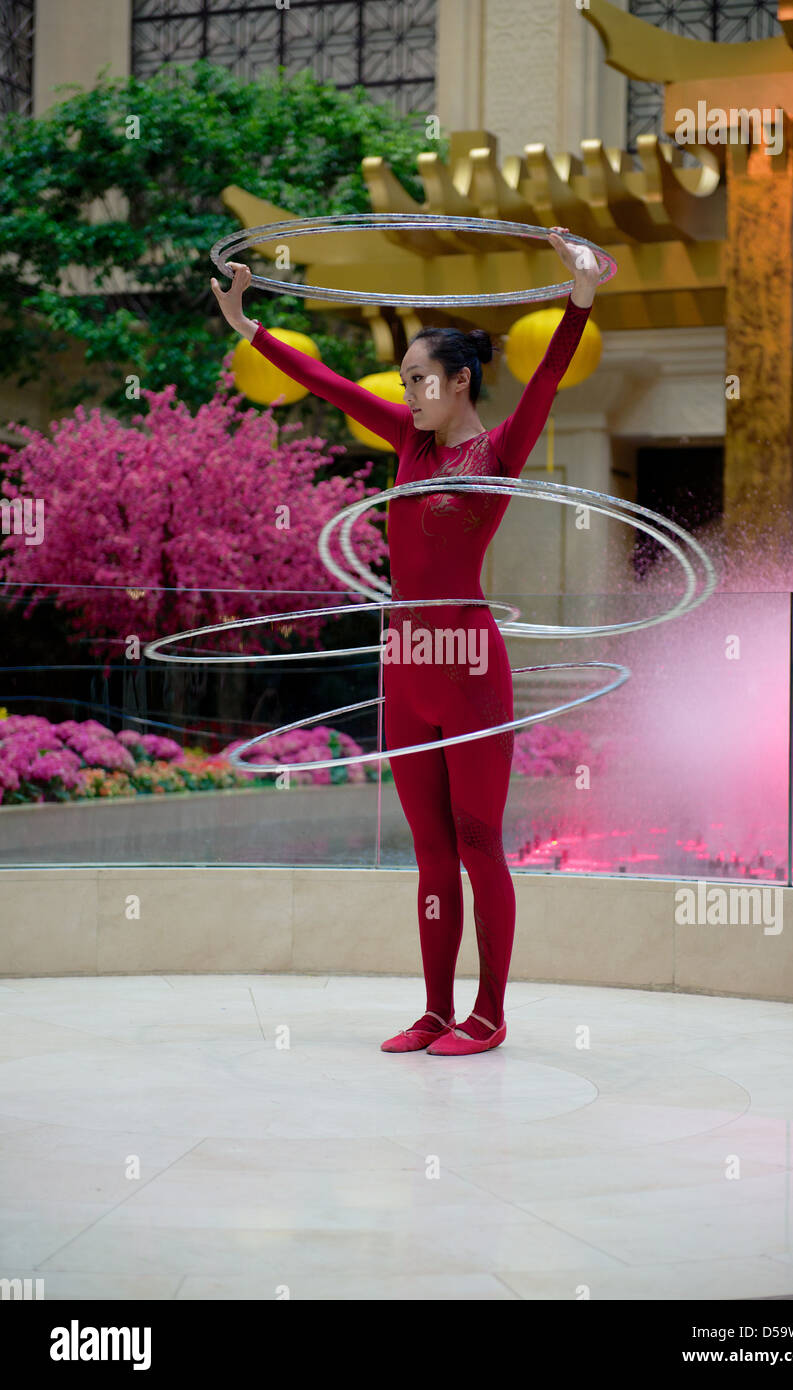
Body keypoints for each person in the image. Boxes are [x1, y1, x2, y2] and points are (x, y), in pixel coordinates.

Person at [211, 228, 601, 1055]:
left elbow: (548, 378)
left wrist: (579, 299)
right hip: (406, 666)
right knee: (427, 851)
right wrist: (249, 326)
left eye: (422, 379)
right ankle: (433, 1009)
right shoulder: (406, 442)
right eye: (405, 381)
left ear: (460, 381)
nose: (411, 391)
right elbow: (318, 381)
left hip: (466, 665)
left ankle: (488, 1014)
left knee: (474, 842)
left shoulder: (494, 452)